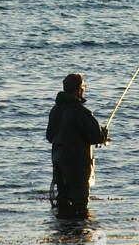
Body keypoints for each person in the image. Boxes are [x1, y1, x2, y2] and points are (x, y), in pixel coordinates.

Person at [47, 73, 109, 216]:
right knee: (80, 204)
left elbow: (50, 136)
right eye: (83, 87)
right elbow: (97, 137)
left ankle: (63, 231)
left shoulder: (55, 110)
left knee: (62, 199)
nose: (84, 90)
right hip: (78, 165)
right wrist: (104, 135)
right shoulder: (82, 112)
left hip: (58, 162)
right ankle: (78, 233)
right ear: (79, 90)